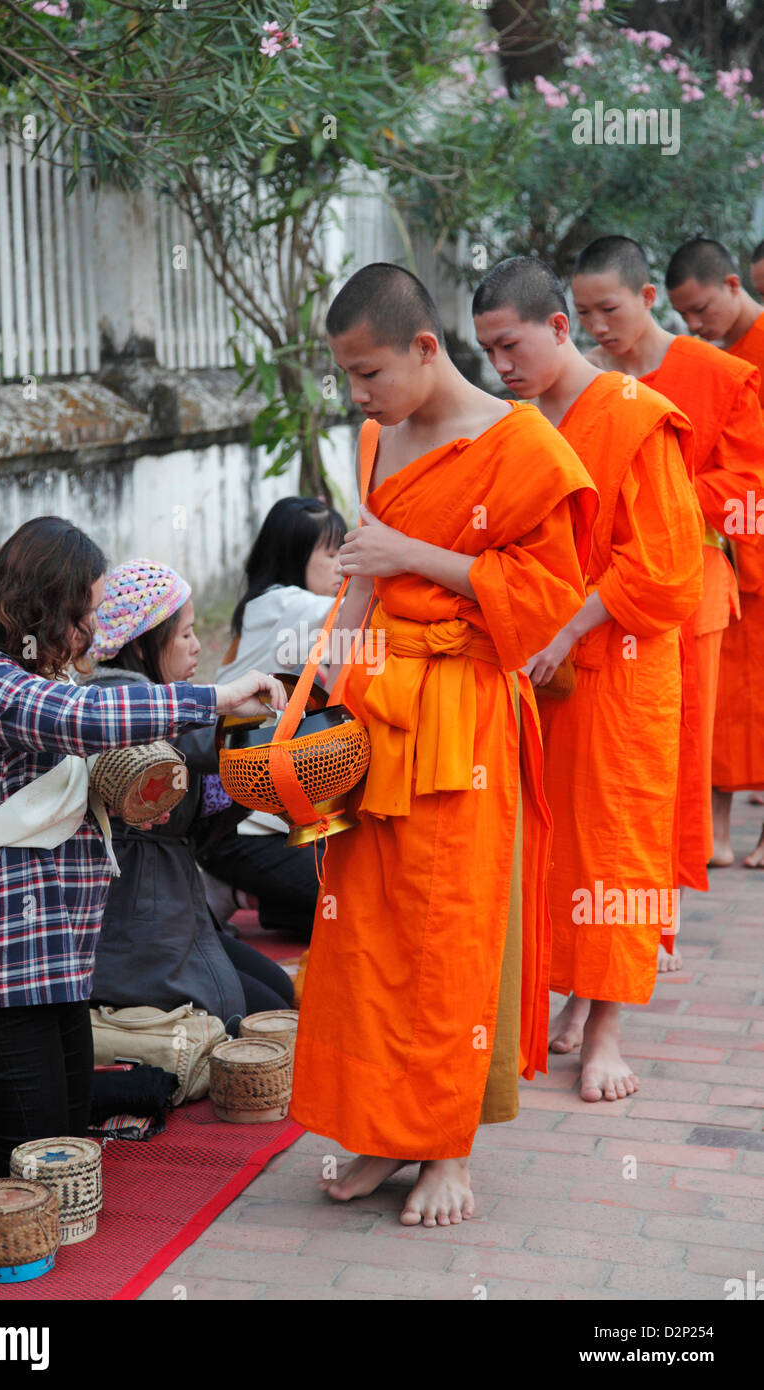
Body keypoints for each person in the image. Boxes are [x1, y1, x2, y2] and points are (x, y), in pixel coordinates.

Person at [289, 263, 597, 1227]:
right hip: (382, 709)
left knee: (447, 935)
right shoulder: (382, 436)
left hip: (462, 710)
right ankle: (383, 1130)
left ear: (425, 349)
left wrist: (417, 556)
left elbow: (547, 602)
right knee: (365, 932)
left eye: (369, 373)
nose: (358, 396)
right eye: (347, 377)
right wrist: (329, 674)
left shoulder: (522, 445)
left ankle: (448, 1151)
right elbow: (366, 577)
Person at [0, 517, 286, 1188]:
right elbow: (81, 722)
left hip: (58, 961)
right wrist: (217, 699)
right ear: (41, 607)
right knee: (23, 1161)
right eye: (87, 615)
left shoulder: (50, 677)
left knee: (62, 1136)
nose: (95, 634)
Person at [473, 257, 703, 1101]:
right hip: (547, 672)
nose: (501, 367)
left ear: (560, 329)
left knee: (616, 848)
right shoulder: (526, 423)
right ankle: (573, 996)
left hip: (624, 672)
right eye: (489, 352)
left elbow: (669, 569)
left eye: (511, 346)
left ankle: (606, 1027)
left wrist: (571, 622)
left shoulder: (634, 415)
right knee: (556, 844)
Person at [571, 236, 764, 970]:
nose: (596, 326)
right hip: (600, 595)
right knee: (602, 762)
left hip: (689, 590)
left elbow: (748, 484)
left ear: (649, 298)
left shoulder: (719, 373)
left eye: (608, 309)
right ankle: (600, 917)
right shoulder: (581, 379)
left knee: (677, 756)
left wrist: (657, 495)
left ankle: (657, 917)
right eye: (583, 312)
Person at [78, 558, 294, 1024]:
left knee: (279, 989)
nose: (197, 646)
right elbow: (180, 740)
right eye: (185, 634)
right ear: (143, 644)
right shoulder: (117, 700)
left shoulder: (164, 698)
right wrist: (241, 726)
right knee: (259, 1013)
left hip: (177, 907)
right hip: (139, 924)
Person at [199, 497, 346, 942]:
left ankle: (253, 898)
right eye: (332, 552)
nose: (342, 564)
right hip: (234, 820)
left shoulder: (267, 606)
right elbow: (358, 609)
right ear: (294, 555)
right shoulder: (284, 605)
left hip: (261, 809)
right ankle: (231, 883)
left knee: (352, 897)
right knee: (349, 901)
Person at [662, 238, 764, 866]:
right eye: (687, 317)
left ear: (732, 285)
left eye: (701, 309)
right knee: (725, 701)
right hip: (731, 541)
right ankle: (715, 835)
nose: (697, 325)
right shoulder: (716, 363)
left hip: (744, 523)